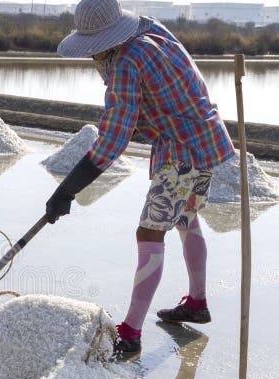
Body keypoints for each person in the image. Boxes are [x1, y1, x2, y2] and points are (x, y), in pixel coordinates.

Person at [45, 0, 235, 357]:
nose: (92, 59)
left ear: (104, 44)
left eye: (93, 52)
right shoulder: (149, 29)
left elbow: (113, 140)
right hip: (205, 137)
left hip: (182, 149)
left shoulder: (126, 64)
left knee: (150, 231)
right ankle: (197, 303)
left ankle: (130, 333)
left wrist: (66, 191)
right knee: (185, 218)